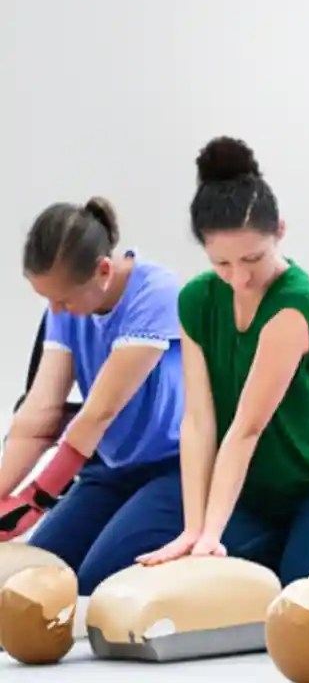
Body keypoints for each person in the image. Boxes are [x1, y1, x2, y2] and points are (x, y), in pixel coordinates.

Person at [137, 136, 309, 604]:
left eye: (252, 259)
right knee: (208, 574)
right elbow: (199, 421)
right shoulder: (197, 300)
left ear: (280, 231)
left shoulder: (293, 304)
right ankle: (304, 540)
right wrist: (194, 529)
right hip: (259, 489)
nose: (239, 278)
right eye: (222, 262)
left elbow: (246, 428)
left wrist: (210, 537)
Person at [0, 198, 186, 593]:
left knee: (94, 584)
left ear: (104, 270)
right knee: (37, 580)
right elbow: (40, 414)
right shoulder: (64, 310)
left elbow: (97, 414)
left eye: (63, 299)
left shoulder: (156, 294)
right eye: (48, 300)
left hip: (177, 470)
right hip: (111, 471)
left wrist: (35, 499)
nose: (55, 311)